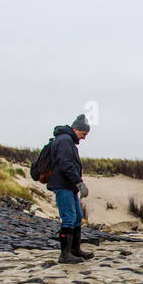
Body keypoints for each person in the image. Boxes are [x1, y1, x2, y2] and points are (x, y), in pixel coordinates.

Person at [49, 113, 93, 264]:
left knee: (77, 216)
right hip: (63, 185)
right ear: (76, 129)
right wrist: (79, 183)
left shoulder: (68, 141)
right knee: (68, 217)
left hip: (69, 186)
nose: (84, 137)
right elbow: (66, 164)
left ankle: (75, 250)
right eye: (83, 133)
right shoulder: (65, 141)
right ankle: (65, 254)